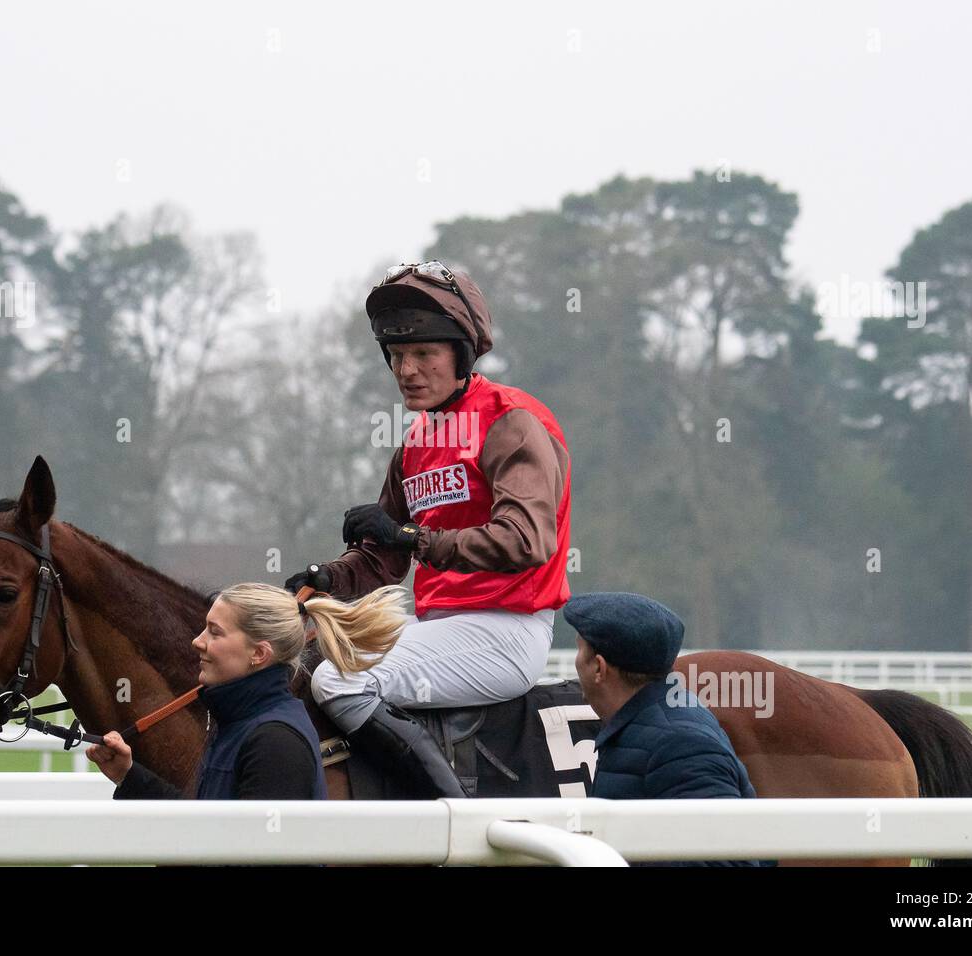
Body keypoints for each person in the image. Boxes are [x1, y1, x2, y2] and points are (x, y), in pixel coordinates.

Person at [285, 260, 572, 799]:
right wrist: (325, 578)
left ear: (461, 355)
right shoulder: (414, 442)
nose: (406, 370)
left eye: (423, 354)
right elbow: (380, 563)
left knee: (338, 679)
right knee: (302, 665)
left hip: (505, 632)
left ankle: (451, 815)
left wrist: (412, 538)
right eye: (395, 356)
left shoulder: (512, 422)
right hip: (437, 626)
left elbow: (527, 541)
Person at [88, 582, 407, 800]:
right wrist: (128, 775)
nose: (197, 641)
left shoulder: (274, 740)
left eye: (214, 632)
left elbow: (222, 849)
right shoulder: (240, 721)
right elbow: (205, 828)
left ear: (259, 654)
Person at [565, 591, 772, 867]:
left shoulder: (680, 745)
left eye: (580, 650)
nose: (576, 661)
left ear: (599, 668)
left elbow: (727, 863)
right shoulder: (652, 724)